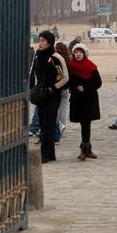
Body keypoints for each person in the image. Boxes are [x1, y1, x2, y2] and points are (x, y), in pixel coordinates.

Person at [31, 30, 67, 162]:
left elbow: (65, 77)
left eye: (43, 41)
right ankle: (50, 154)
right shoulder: (38, 56)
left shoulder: (56, 57)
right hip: (41, 95)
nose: (40, 43)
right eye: (39, 40)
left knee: (48, 123)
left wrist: (53, 88)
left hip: (53, 95)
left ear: (49, 42)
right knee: (42, 123)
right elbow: (34, 74)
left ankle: (45, 154)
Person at [66, 44, 102, 160]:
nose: (78, 54)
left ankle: (85, 149)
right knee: (84, 124)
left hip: (89, 99)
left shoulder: (91, 67)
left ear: (84, 54)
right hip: (77, 99)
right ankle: (86, 148)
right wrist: (75, 86)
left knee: (86, 123)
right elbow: (68, 82)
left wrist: (85, 88)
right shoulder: (70, 66)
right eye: (76, 52)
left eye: (80, 52)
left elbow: (98, 83)